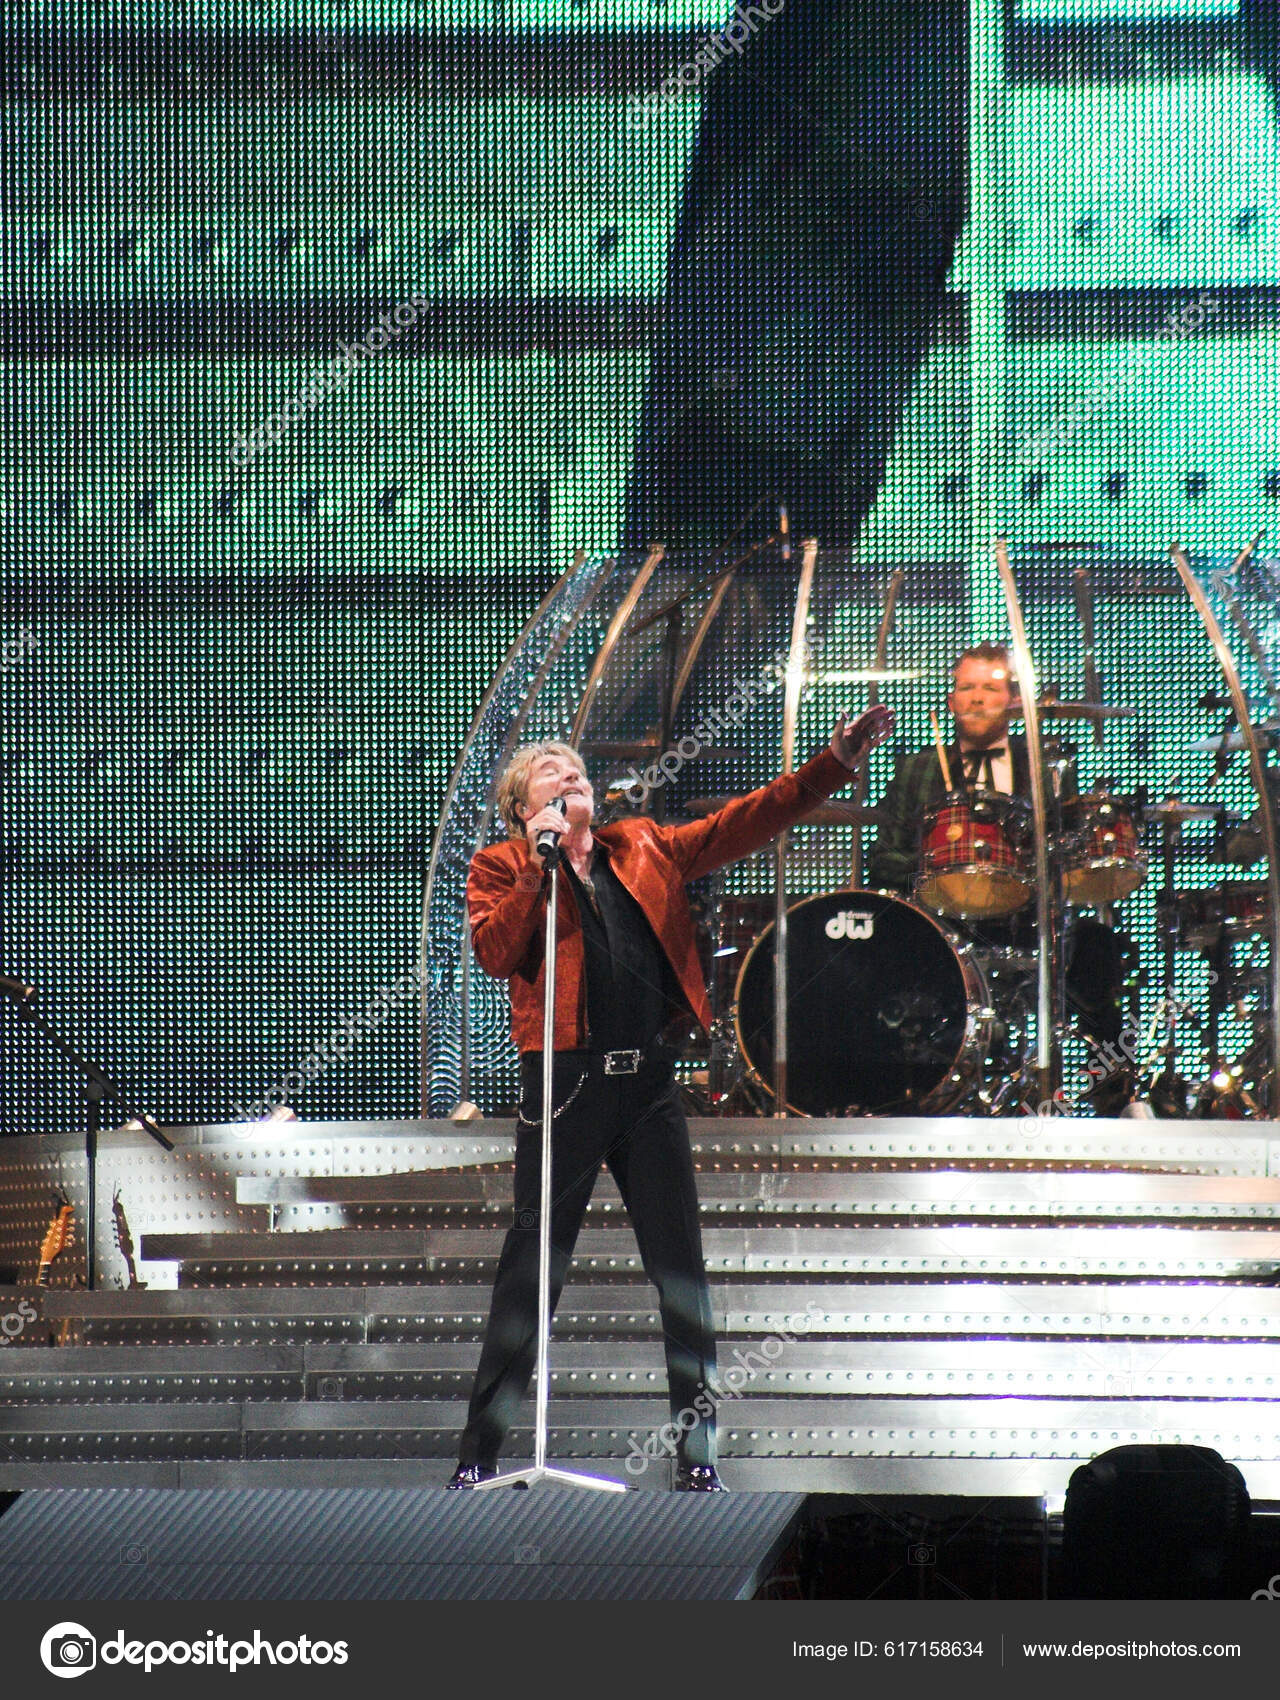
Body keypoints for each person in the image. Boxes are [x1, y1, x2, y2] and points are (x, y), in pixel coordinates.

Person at [446, 701, 895, 1492]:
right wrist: (543, 863)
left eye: (578, 770)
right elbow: (496, 951)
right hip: (564, 1086)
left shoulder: (643, 845)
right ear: (525, 808)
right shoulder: (504, 866)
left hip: (646, 1087)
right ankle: (479, 1455)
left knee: (680, 1272)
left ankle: (698, 1463)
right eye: (553, 775)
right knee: (531, 1271)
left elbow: (744, 821)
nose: (572, 776)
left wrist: (831, 766)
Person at [867, 642, 1131, 1101]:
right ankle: (904, 1093)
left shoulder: (1048, 770)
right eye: (965, 687)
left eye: (990, 688)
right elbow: (882, 858)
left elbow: (1065, 852)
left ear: (1012, 700)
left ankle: (1112, 1099)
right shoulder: (916, 771)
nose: (976, 698)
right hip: (942, 928)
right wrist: (936, 869)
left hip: (1027, 923)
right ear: (950, 701)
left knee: (1099, 949)